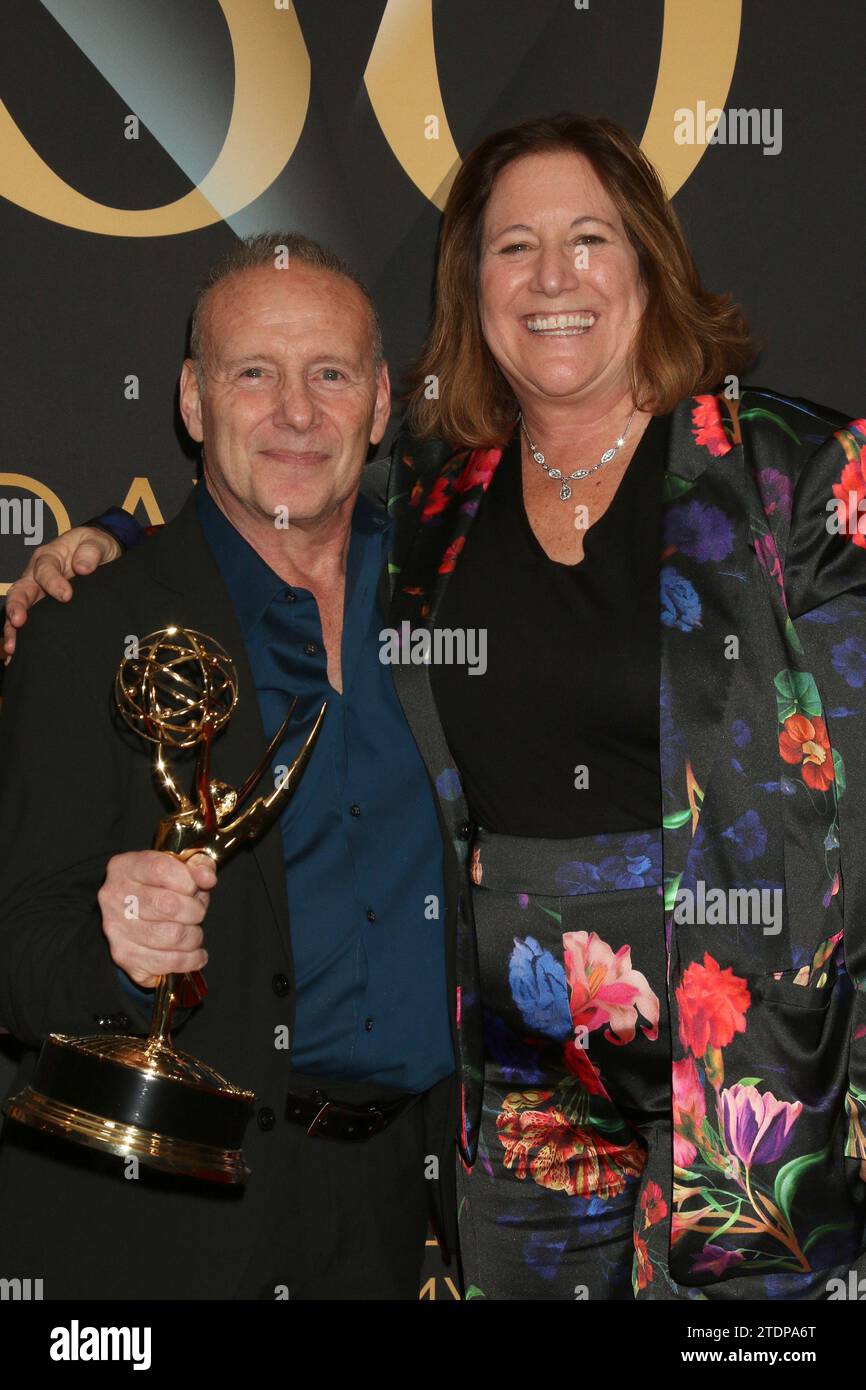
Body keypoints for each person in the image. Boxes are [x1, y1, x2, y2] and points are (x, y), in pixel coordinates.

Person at [7, 113, 866, 1302]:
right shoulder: (446, 505)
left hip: (748, 1081)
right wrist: (102, 540)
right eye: (513, 246)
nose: (552, 278)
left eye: (587, 239)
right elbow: (256, 506)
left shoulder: (787, 470)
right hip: (512, 1114)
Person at [0, 233, 457, 1300]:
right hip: (157, 1214)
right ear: (193, 402)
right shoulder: (91, 628)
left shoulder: (454, 599)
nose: (296, 412)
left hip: (402, 1207)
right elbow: (15, 942)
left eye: (329, 374)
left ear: (382, 402)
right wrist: (114, 950)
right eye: (254, 372)